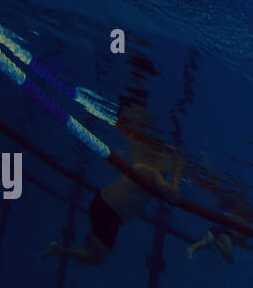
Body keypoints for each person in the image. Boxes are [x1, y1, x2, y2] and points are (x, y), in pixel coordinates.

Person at [41, 101, 184, 267]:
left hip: (108, 209)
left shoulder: (148, 172)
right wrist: (177, 172)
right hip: (109, 211)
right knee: (96, 259)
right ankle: (58, 250)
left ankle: (66, 247)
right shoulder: (150, 172)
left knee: (95, 257)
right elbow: (173, 196)